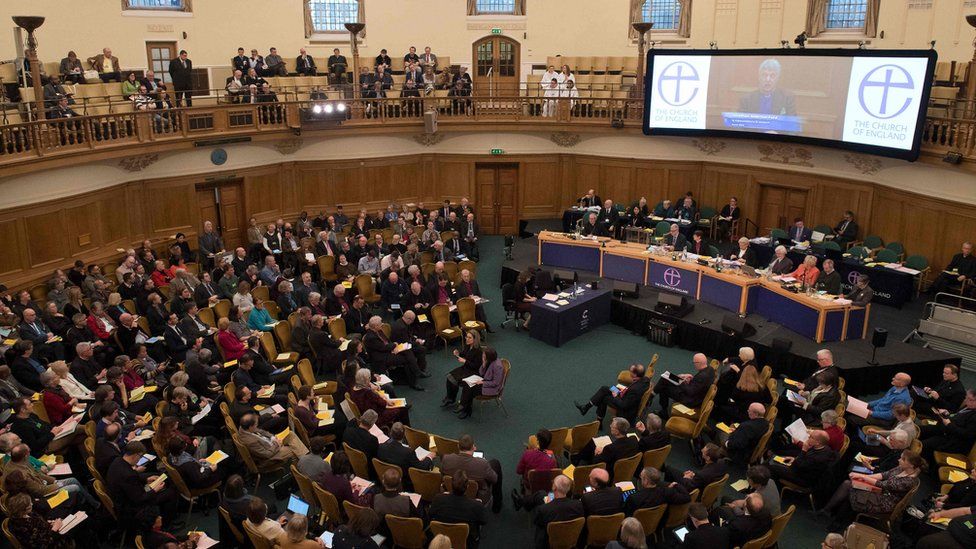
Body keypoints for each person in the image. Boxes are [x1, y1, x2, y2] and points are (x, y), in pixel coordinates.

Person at [824, 450, 923, 529]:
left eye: (903, 459)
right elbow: (883, 475)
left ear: (911, 465)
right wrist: (861, 476)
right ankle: (834, 515)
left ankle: (834, 518)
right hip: (882, 493)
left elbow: (882, 484)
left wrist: (862, 477)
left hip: (885, 502)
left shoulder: (908, 481)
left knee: (850, 489)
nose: (899, 460)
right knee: (850, 485)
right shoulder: (902, 468)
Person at [575, 363, 650, 423]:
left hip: (625, 408)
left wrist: (615, 396)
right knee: (605, 388)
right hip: (624, 394)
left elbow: (624, 405)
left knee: (604, 398)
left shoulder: (634, 390)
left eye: (630, 371)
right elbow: (631, 394)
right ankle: (586, 407)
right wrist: (622, 391)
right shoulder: (646, 380)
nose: (629, 372)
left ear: (635, 374)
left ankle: (599, 420)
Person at [441, 434, 502, 508]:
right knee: (495, 463)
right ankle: (497, 504)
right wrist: (485, 465)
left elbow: (443, 475)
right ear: (473, 447)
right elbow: (494, 479)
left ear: (458, 446)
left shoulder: (446, 459)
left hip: (454, 491)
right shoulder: (482, 464)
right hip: (477, 496)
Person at [918, 389, 976, 464]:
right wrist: (948, 413)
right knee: (920, 430)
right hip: (946, 430)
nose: (966, 400)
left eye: (970, 399)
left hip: (953, 441)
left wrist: (949, 425)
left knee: (923, 444)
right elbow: (957, 416)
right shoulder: (968, 407)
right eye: (966, 398)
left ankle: (921, 464)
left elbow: (966, 435)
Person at [768, 430, 838, 490]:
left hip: (803, 479)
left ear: (818, 442)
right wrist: (795, 458)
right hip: (803, 469)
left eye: (811, 437)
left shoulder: (817, 458)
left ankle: (775, 490)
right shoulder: (824, 448)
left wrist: (803, 450)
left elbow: (794, 468)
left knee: (771, 467)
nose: (808, 437)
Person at [652, 353, 715, 419]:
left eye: (694, 363)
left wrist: (682, 381)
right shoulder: (710, 369)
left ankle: (663, 411)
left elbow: (690, 392)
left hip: (690, 400)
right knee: (667, 378)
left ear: (698, 363)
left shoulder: (702, 376)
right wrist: (692, 378)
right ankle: (652, 394)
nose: (694, 365)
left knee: (664, 386)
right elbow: (700, 384)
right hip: (696, 396)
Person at [237, 412, 309, 468]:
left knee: (290, 434)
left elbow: (262, 431)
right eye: (256, 425)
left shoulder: (243, 427)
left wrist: (273, 438)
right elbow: (267, 454)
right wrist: (277, 444)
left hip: (270, 443)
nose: (257, 426)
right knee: (293, 449)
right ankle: (302, 467)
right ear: (250, 427)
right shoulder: (250, 442)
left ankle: (305, 460)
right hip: (269, 456)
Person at [531, 474, 583, 549]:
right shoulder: (579, 504)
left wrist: (548, 505)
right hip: (572, 538)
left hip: (549, 543)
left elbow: (537, 522)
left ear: (554, 487)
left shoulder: (543, 509)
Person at [848, 372, 912, 430]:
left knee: (851, 419)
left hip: (883, 419)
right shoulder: (895, 388)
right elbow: (882, 400)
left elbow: (890, 415)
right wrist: (866, 404)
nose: (893, 379)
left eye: (896, 379)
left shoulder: (902, 398)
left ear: (902, 384)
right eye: (894, 377)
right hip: (876, 410)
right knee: (850, 408)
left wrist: (871, 413)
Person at [457, 345, 504, 420]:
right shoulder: (488, 361)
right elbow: (481, 373)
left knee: (470, 390)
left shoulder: (497, 366)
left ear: (489, 356)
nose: (482, 355)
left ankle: (466, 410)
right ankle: (464, 406)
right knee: (466, 384)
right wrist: (484, 363)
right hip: (484, 380)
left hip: (492, 387)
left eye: (484, 355)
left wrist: (483, 383)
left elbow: (496, 383)